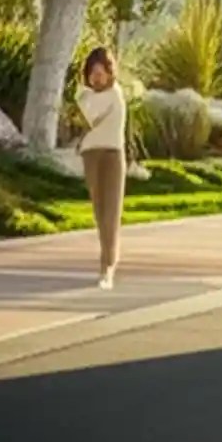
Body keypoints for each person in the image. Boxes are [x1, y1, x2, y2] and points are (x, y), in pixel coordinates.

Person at [75, 47, 127, 290]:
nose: (96, 77)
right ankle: (107, 260)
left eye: (101, 72)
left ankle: (107, 267)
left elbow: (92, 114)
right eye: (92, 73)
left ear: (109, 73)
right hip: (91, 155)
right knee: (99, 211)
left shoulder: (113, 94)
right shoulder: (86, 95)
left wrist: (82, 97)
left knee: (110, 213)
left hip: (111, 156)